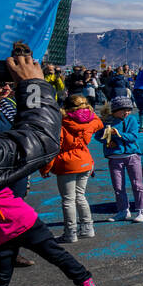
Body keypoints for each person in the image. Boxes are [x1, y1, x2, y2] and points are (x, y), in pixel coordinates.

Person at [0, 53, 102, 286]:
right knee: (6, 270)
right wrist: (34, 85)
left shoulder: (5, 106)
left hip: (10, 207)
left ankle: (83, 278)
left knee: (27, 260)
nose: (6, 86)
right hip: (2, 215)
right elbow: (38, 139)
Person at [40, 94, 104, 243]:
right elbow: (98, 122)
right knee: (80, 196)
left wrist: (45, 168)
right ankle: (88, 228)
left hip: (67, 164)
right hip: (85, 161)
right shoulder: (90, 120)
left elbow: (55, 147)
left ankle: (70, 232)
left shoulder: (62, 123)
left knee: (68, 200)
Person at [101, 96, 143, 223]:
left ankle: (141, 210)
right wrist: (106, 139)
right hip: (115, 157)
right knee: (118, 186)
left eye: (128, 110)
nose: (126, 112)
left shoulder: (132, 120)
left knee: (137, 184)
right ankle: (123, 211)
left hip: (132, 155)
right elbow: (98, 136)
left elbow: (133, 136)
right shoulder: (107, 121)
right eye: (123, 110)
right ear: (115, 110)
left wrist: (119, 135)